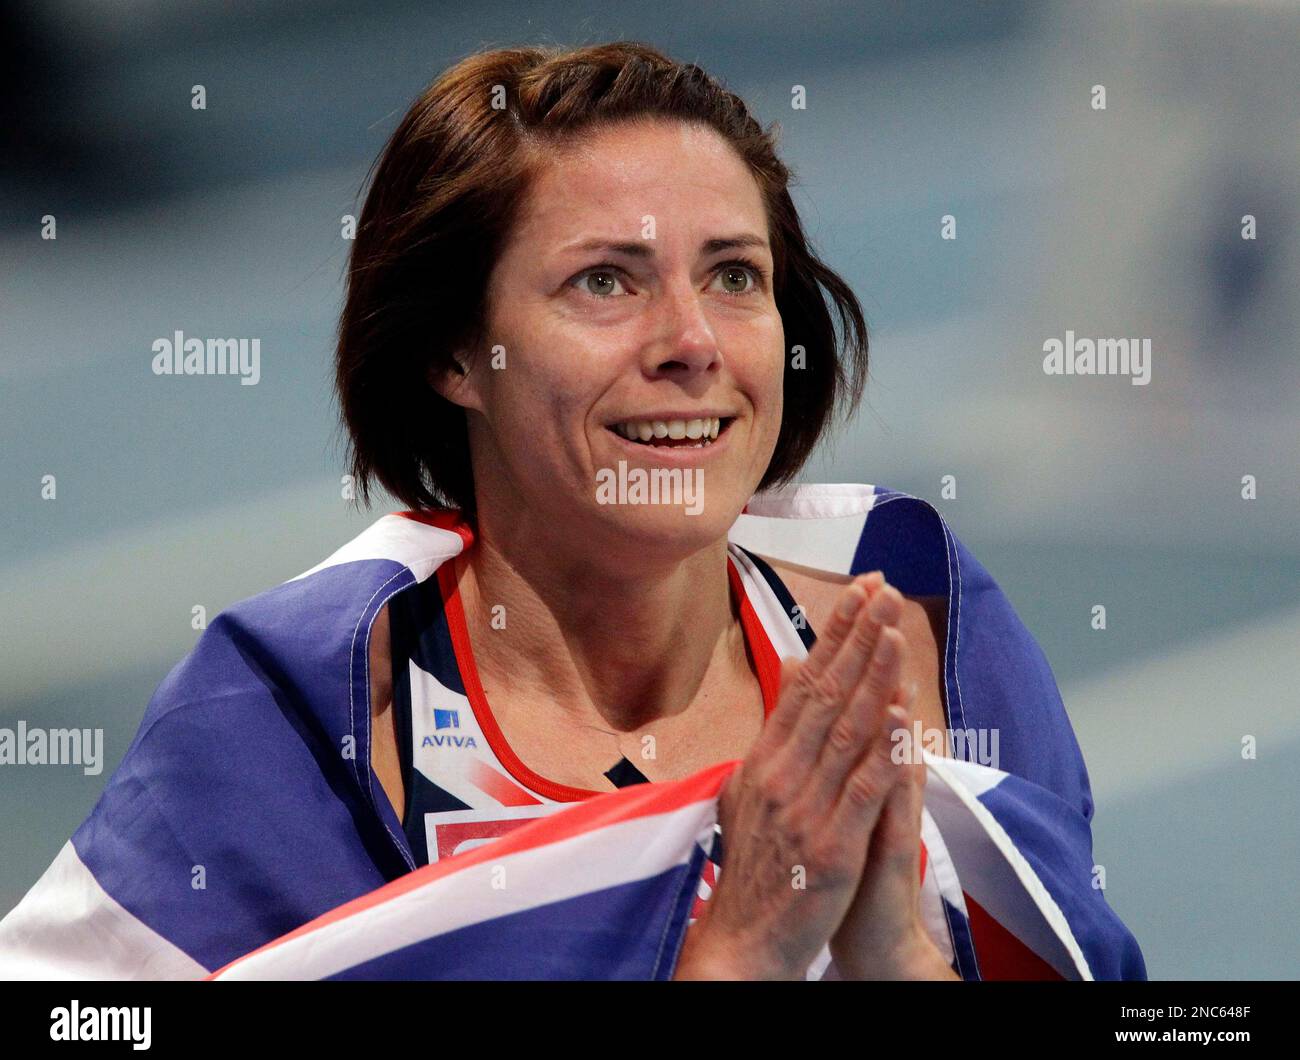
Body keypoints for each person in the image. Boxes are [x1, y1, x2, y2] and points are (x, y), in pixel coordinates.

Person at [0, 41, 1145, 981]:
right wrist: (742, 951)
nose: (693, 343)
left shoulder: (923, 645)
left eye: (735, 275)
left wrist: (897, 955)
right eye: (606, 280)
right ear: (455, 349)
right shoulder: (305, 718)